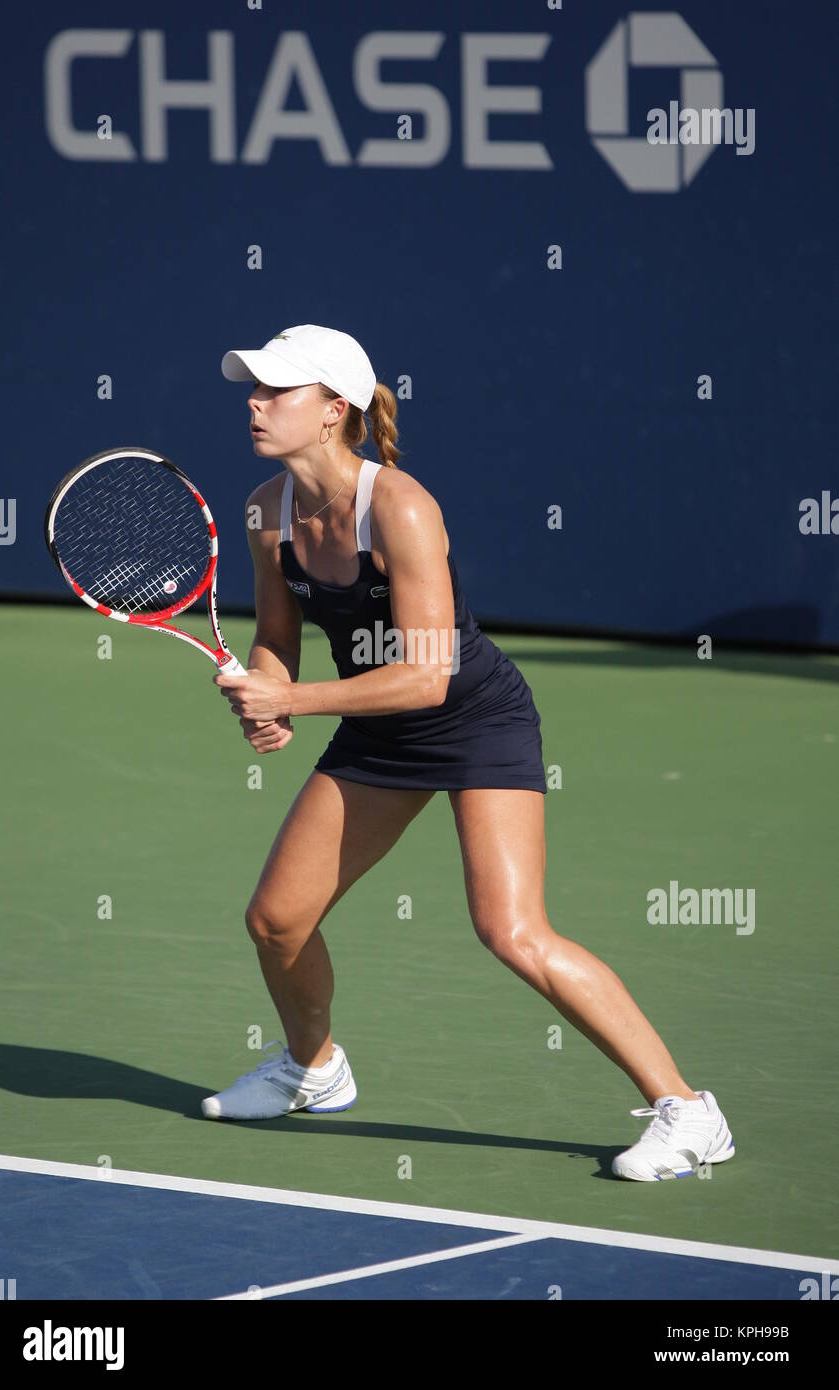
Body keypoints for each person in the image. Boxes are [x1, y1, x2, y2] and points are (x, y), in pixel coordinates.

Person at [201, 324, 734, 1182]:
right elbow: (276, 633)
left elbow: (426, 676)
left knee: (512, 930)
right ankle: (314, 1068)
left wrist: (295, 698)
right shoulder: (268, 509)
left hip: (472, 720)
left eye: (277, 390)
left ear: (334, 411)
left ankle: (689, 1110)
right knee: (276, 921)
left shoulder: (402, 506)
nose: (255, 403)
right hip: (376, 729)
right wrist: (268, 697)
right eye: (253, 388)